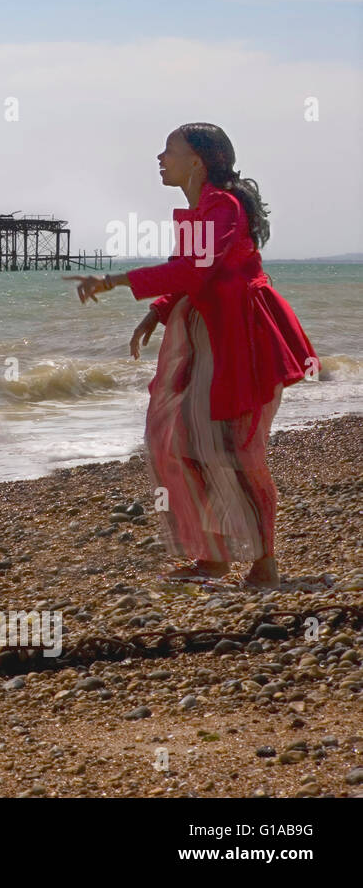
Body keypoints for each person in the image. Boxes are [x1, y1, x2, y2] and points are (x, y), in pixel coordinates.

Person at [65, 123, 316, 590]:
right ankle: (214, 555)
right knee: (178, 438)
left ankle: (265, 562)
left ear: (197, 160)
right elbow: (194, 275)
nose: (160, 158)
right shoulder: (201, 207)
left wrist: (113, 282)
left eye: (169, 151)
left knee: (237, 447)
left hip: (240, 334)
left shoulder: (222, 206)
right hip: (209, 330)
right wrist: (158, 313)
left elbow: (193, 268)